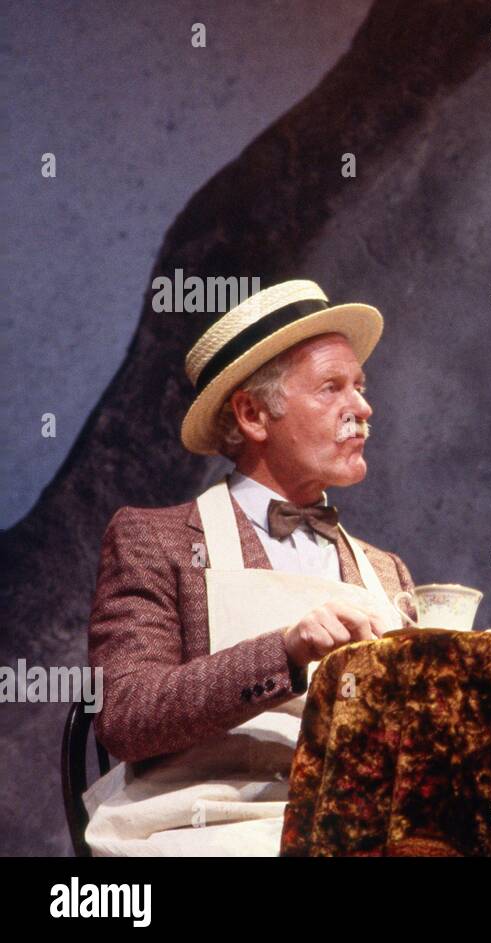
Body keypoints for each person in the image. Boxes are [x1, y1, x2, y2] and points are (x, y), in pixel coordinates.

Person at [83, 280, 414, 856]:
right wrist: (284, 651)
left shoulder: (386, 571)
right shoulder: (155, 540)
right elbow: (127, 716)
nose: (362, 408)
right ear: (254, 413)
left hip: (360, 831)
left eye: (359, 386)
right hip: (208, 827)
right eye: (332, 387)